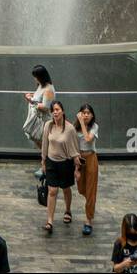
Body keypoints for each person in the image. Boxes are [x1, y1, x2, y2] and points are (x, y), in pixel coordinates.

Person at [41, 101, 81, 233]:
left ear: (62, 111)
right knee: (52, 191)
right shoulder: (48, 125)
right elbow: (45, 144)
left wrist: (77, 168)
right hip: (51, 162)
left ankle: (68, 210)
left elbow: (75, 150)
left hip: (65, 163)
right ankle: (50, 221)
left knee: (65, 188)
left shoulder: (70, 129)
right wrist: (43, 161)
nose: (55, 112)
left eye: (57, 109)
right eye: (53, 110)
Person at [74, 103, 99, 235]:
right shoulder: (75, 128)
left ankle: (88, 220)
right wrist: (76, 168)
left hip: (91, 159)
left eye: (88, 113)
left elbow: (88, 139)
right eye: (83, 113)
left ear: (92, 115)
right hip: (79, 160)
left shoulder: (94, 127)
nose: (86, 115)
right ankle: (90, 204)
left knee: (90, 191)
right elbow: (74, 146)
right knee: (81, 189)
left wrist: (82, 123)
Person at [24, 63, 55, 156]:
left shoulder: (48, 89)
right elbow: (39, 96)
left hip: (43, 121)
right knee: (37, 139)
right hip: (37, 118)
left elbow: (46, 107)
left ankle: (47, 161)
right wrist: (32, 96)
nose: (35, 79)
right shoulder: (41, 85)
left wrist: (31, 100)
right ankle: (45, 160)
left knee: (43, 143)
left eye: (36, 77)